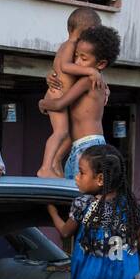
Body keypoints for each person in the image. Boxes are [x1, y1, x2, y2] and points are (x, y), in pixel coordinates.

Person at [46, 143, 140, 279]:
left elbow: (65, 232)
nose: (77, 177)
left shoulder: (84, 203)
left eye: (81, 172)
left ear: (100, 179)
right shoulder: (129, 207)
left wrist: (52, 212)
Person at [36, 25, 121, 181]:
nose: (76, 62)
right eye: (75, 56)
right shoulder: (90, 80)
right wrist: (51, 78)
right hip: (80, 145)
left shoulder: (88, 81)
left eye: (83, 58)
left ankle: (46, 168)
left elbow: (60, 104)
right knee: (72, 189)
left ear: (101, 64)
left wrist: (42, 103)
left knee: (81, 192)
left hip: (88, 146)